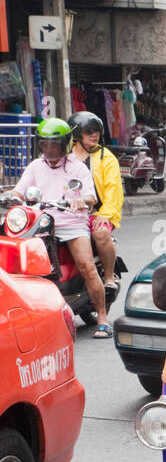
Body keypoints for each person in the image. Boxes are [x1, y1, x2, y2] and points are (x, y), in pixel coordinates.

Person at [13, 119, 111, 337]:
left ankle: (103, 317)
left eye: (54, 144)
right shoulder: (35, 166)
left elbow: (90, 197)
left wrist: (81, 202)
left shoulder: (78, 167)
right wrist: (10, 197)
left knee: (86, 265)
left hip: (71, 223)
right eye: (45, 144)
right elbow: (18, 192)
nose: (49, 149)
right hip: (40, 222)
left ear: (65, 144)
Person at [67, 111, 122, 308]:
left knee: (100, 233)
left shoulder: (106, 158)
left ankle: (108, 277)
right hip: (67, 213)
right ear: (76, 134)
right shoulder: (65, 157)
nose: (94, 135)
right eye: (89, 131)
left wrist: (104, 216)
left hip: (97, 213)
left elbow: (114, 192)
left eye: (97, 131)